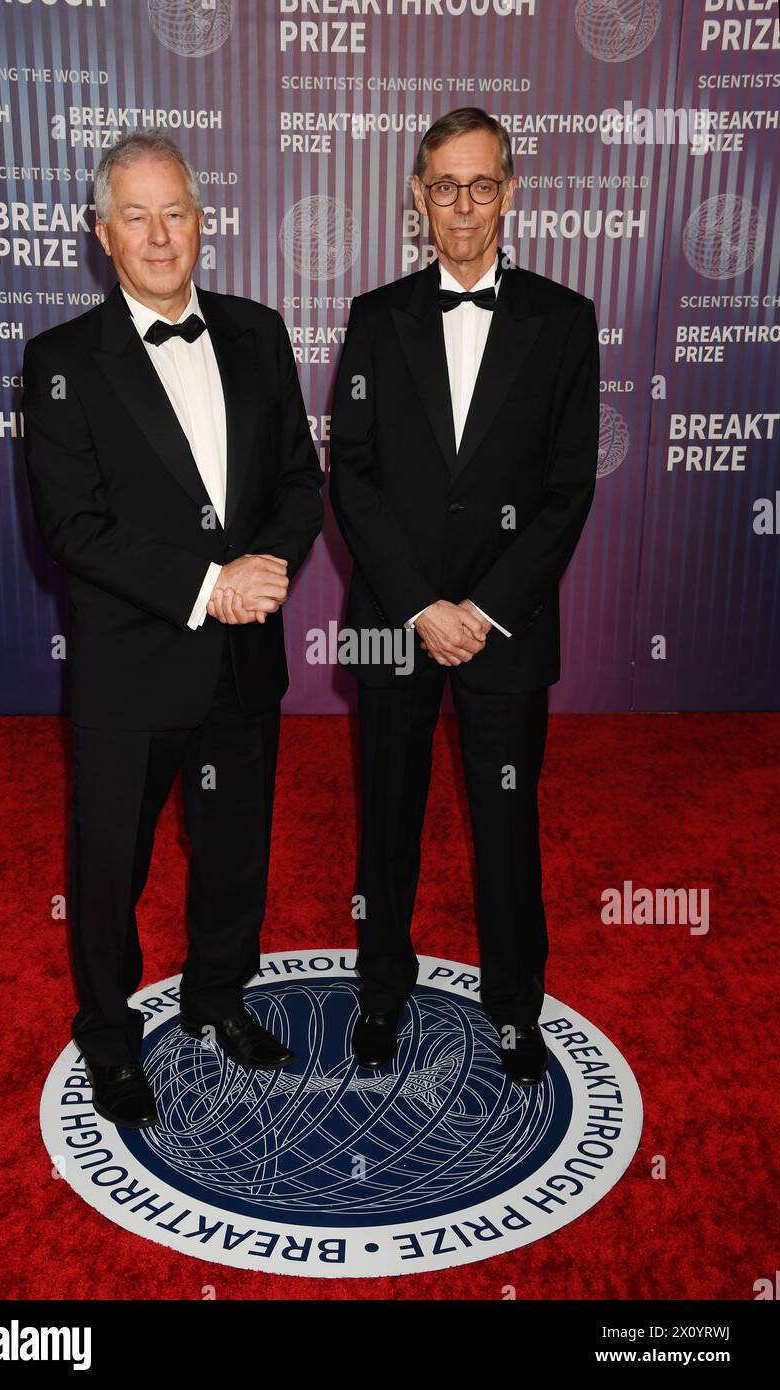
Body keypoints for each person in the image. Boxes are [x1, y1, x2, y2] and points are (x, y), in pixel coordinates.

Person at [22, 130, 323, 1128]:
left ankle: (218, 997)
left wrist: (265, 569)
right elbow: (76, 528)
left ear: (204, 220)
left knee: (235, 848)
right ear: (104, 235)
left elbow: (297, 482)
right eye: (137, 216)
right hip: (132, 670)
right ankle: (109, 1039)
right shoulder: (61, 361)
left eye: (176, 212)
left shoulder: (259, 331)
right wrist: (209, 584)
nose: (160, 235)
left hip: (242, 658)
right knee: (111, 868)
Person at [329, 107, 599, 1085]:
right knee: (387, 813)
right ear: (417, 194)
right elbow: (351, 475)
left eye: (482, 185)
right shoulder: (375, 315)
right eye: (444, 185)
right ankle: (380, 992)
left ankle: (516, 1006)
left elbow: (571, 488)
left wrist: (481, 608)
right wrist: (417, 606)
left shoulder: (566, 320)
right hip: (393, 622)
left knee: (506, 819)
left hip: (507, 622)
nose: (462, 206)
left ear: (511, 191)